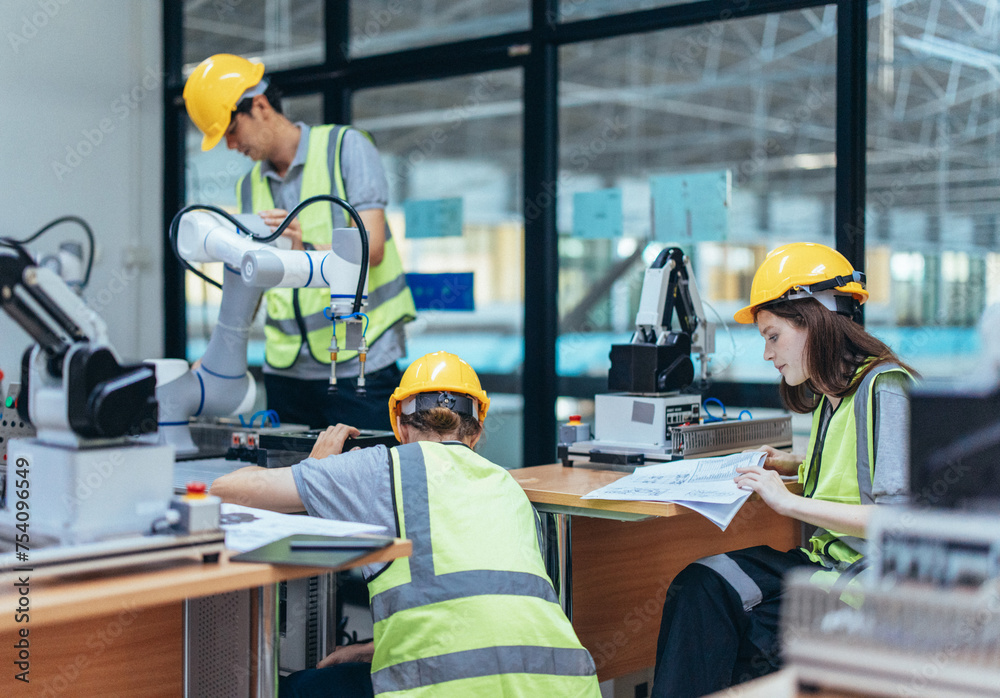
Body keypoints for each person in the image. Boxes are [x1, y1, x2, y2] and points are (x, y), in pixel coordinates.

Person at [211, 351, 602, 698]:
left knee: (291, 689)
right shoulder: (511, 490)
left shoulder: (382, 467)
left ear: (399, 426)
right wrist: (375, 647)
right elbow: (485, 613)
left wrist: (316, 468)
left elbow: (225, 490)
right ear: (478, 431)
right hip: (568, 687)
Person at [651, 242, 916, 698]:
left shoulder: (883, 390)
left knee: (731, 626)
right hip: (823, 568)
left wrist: (789, 502)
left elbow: (902, 523)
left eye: (773, 336)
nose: (768, 354)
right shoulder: (836, 396)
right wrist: (793, 463)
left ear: (813, 319)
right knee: (701, 584)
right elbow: (857, 472)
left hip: (863, 585)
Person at [183, 54, 416, 431]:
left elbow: (372, 248)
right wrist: (218, 355)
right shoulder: (250, 186)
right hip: (286, 371)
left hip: (359, 367)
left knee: (362, 484)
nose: (230, 145)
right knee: (288, 486)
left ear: (258, 106)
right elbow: (250, 276)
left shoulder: (345, 148)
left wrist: (299, 249)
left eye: (230, 129)